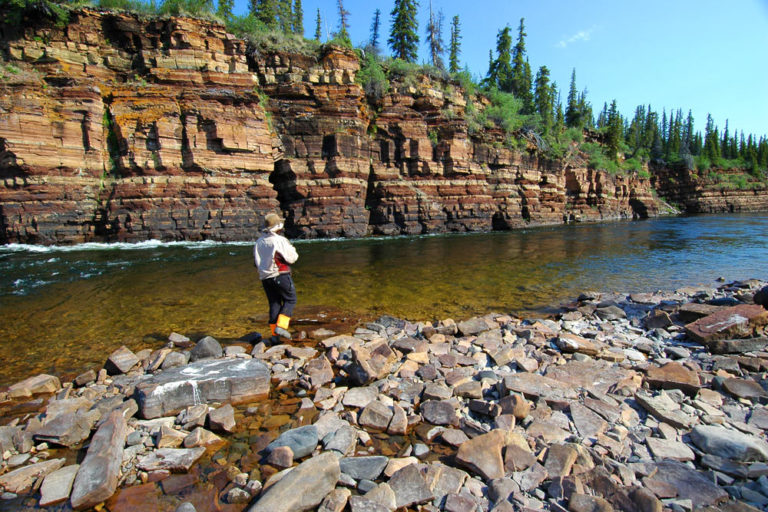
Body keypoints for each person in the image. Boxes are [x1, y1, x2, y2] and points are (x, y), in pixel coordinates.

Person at [254, 212, 298, 342]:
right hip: (280, 275)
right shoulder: (280, 240)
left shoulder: (259, 242)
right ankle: (281, 326)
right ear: (278, 226)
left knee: (274, 303)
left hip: (265, 278)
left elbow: (257, 262)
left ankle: (274, 336)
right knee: (291, 300)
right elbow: (292, 258)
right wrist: (292, 248)